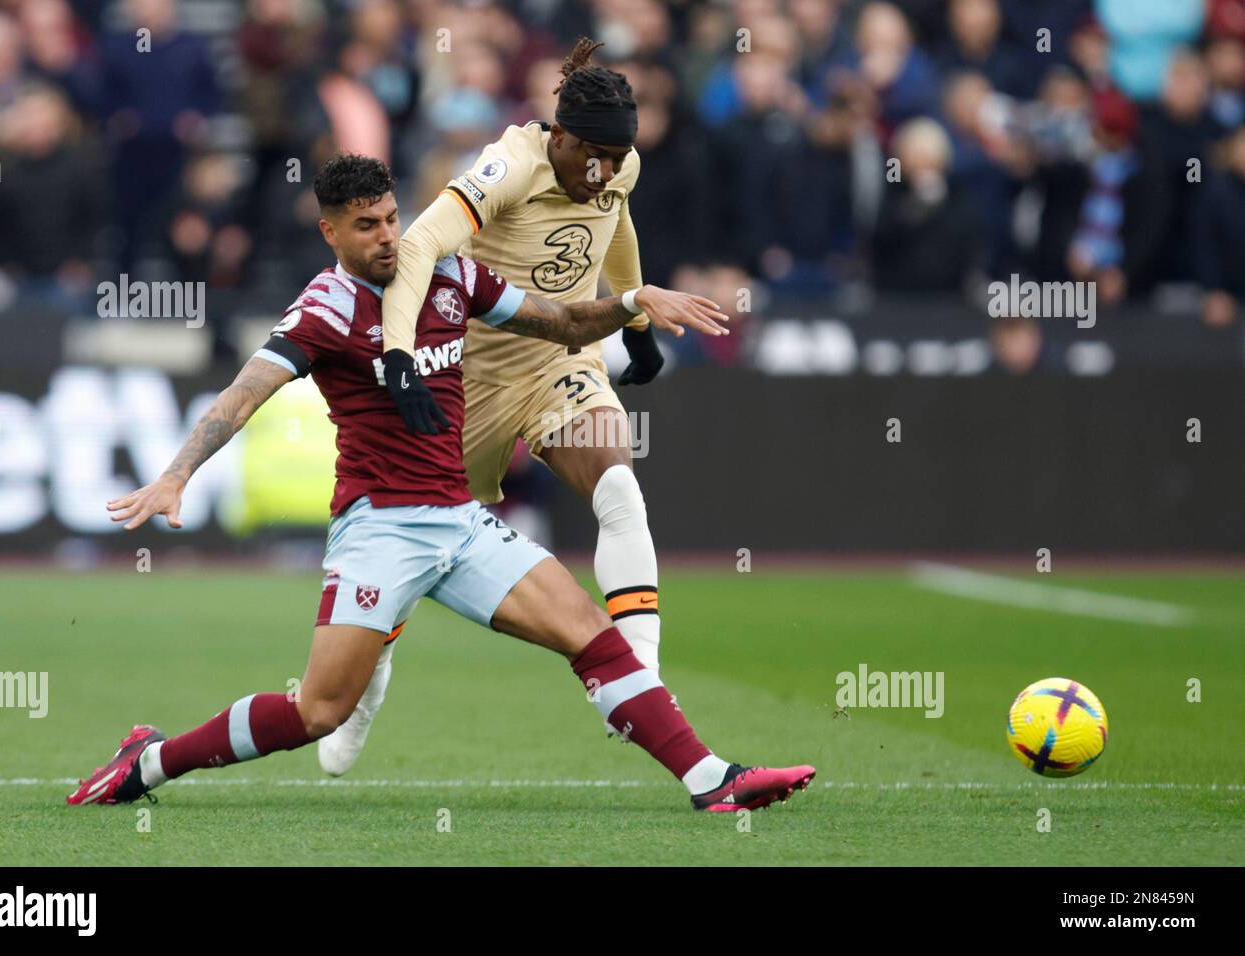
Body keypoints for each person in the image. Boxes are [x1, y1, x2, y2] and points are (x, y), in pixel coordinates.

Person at [65, 154, 815, 814]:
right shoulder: (324, 309)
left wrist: (629, 303)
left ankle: (711, 778)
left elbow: (558, 324)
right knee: (319, 710)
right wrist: (174, 474)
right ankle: (151, 760)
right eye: (366, 226)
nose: (388, 236)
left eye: (392, 218)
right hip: (380, 529)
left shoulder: (451, 272)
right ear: (331, 233)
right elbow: (239, 396)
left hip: (459, 519)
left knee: (593, 635)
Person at [321, 38, 729, 774]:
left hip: (556, 355)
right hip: (465, 375)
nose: (602, 172)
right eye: (590, 156)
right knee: (420, 550)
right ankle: (364, 689)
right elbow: (417, 247)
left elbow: (617, 221)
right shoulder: (507, 166)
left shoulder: (618, 162)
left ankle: (639, 682)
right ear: (559, 136)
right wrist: (400, 352)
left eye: (615, 157)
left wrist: (632, 322)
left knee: (619, 488)